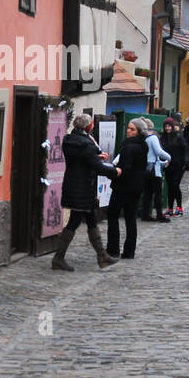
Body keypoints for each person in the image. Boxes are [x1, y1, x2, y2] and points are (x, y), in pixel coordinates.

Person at [52, 114, 121, 272]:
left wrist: (95, 157)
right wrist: (114, 171)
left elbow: (81, 160)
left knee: (91, 219)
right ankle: (58, 258)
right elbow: (97, 167)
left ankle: (102, 256)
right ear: (89, 127)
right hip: (82, 188)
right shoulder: (86, 144)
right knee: (74, 222)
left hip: (73, 185)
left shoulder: (69, 141)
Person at [106, 120, 149, 259]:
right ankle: (129, 251)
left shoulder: (129, 147)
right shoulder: (143, 145)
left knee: (113, 214)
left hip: (123, 186)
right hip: (136, 186)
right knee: (130, 218)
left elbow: (125, 169)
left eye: (132, 129)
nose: (128, 131)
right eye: (128, 128)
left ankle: (113, 249)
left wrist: (114, 173)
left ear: (139, 132)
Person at [138, 118, 172, 222]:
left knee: (147, 193)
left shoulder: (143, 138)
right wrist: (169, 157)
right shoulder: (153, 137)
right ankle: (159, 215)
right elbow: (158, 152)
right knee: (158, 193)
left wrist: (162, 163)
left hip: (146, 168)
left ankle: (145, 214)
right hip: (154, 170)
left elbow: (150, 156)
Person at [161, 118, 189, 217]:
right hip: (168, 165)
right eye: (166, 126)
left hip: (179, 165)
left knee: (175, 185)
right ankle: (170, 208)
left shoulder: (178, 137)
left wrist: (186, 161)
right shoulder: (163, 138)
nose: (167, 128)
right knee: (170, 187)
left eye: (169, 126)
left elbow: (185, 148)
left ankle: (179, 207)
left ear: (172, 127)